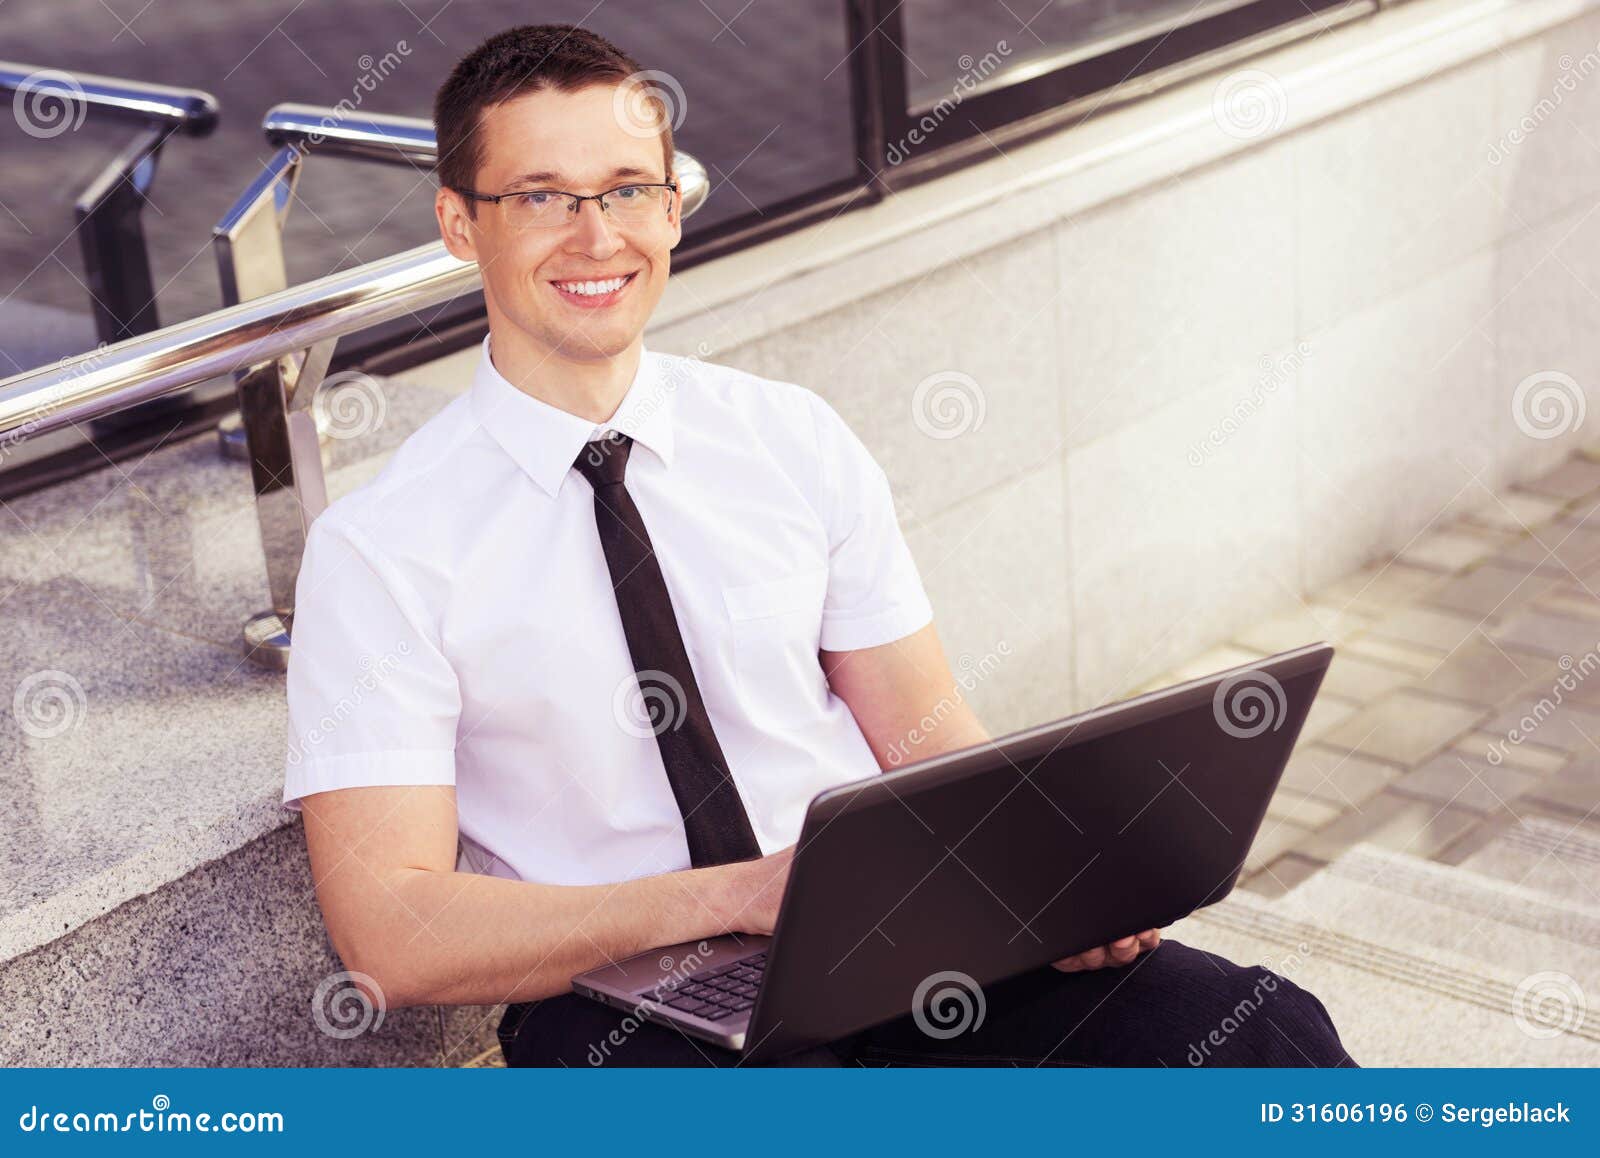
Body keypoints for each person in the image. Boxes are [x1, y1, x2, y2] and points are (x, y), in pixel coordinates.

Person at [282, 22, 1356, 1069]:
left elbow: (925, 735)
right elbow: (392, 934)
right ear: (461, 226)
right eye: (542, 198)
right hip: (620, 1010)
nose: (596, 235)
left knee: (1252, 1031)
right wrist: (729, 899)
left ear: (670, 209)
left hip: (889, 946)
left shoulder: (787, 437)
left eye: (626, 190)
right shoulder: (382, 549)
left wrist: (1046, 884)